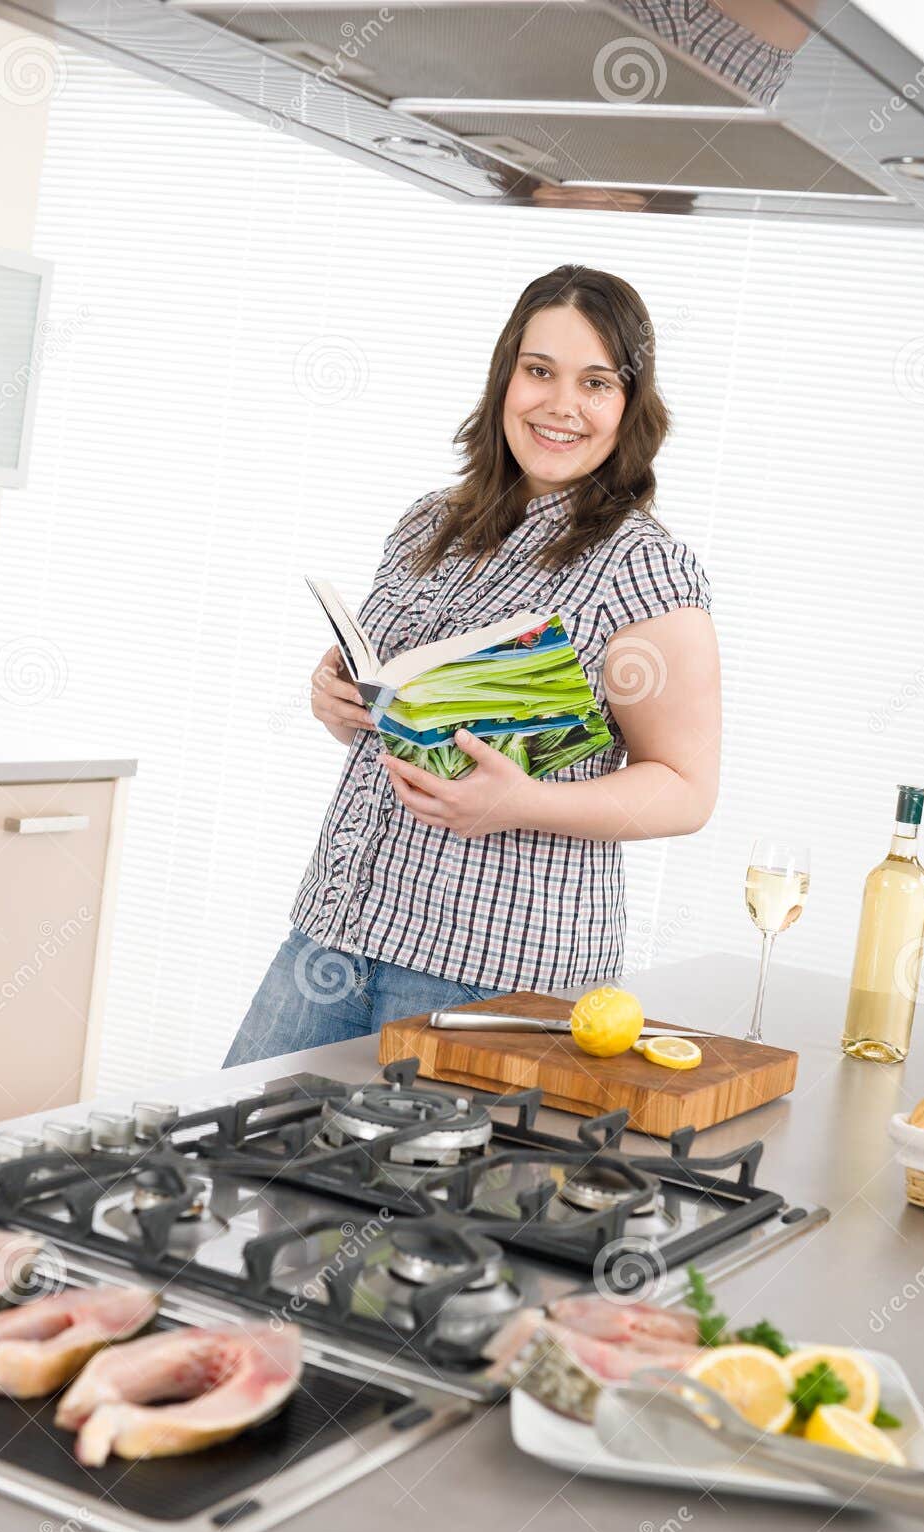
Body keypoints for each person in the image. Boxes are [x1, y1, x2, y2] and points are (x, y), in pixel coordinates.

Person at [224, 264, 720, 1063]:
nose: (561, 404)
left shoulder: (640, 567)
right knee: (231, 1174)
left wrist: (519, 802)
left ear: (629, 406)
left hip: (488, 979)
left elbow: (685, 790)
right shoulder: (430, 524)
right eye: (539, 371)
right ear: (504, 381)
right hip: (333, 934)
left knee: (425, 1192)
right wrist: (338, 704)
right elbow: (413, 720)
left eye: (595, 381)